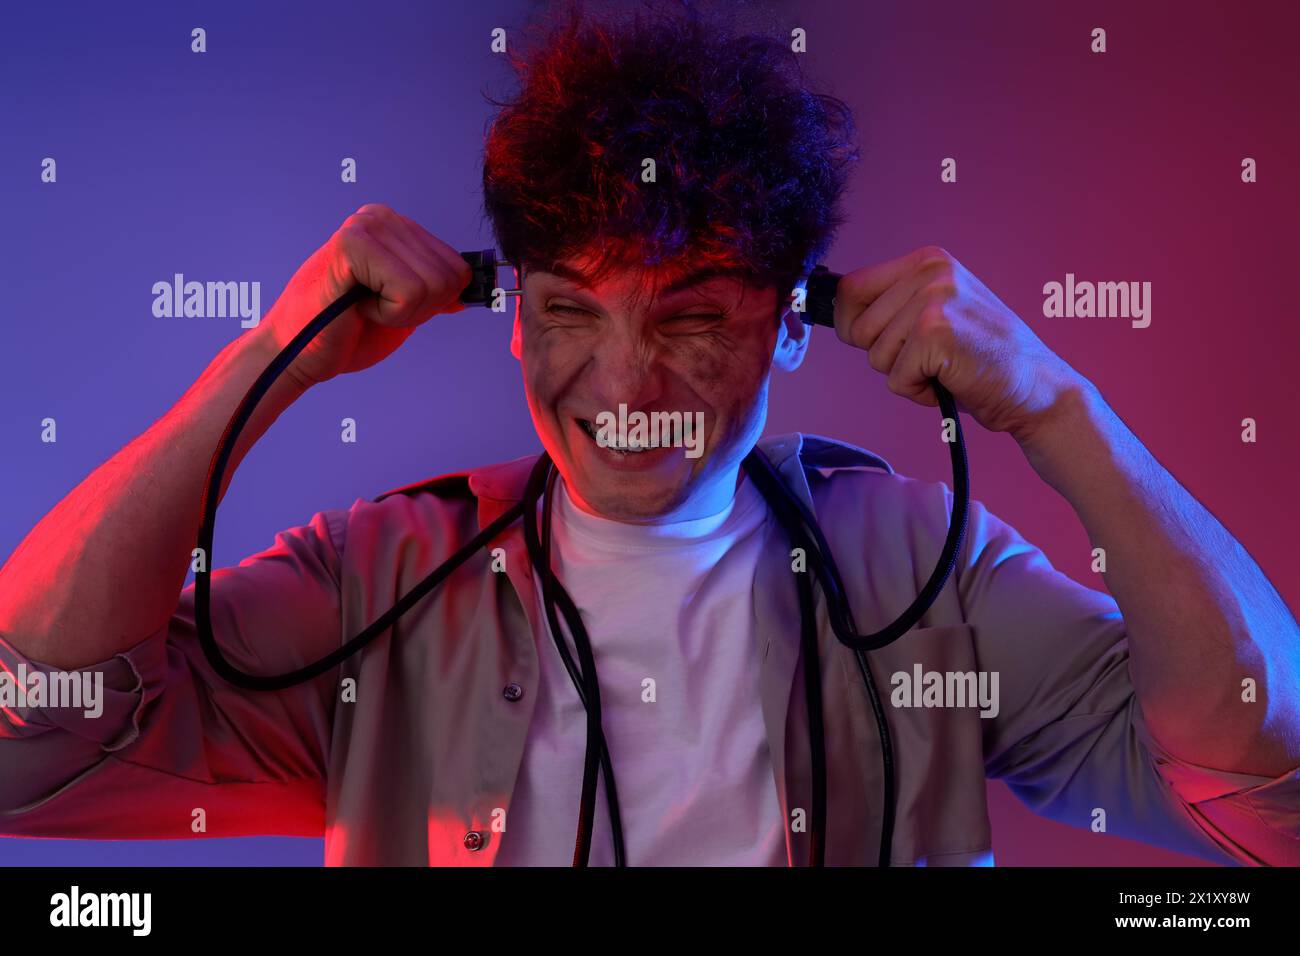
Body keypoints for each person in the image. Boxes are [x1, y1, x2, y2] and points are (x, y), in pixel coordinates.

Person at [1, 6, 1296, 867]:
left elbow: (1266, 773)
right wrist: (267, 359)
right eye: (571, 309)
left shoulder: (921, 571)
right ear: (512, 316)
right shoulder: (381, 580)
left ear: (797, 325)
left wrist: (1059, 411)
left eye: (692, 317)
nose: (624, 381)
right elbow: (33, 726)